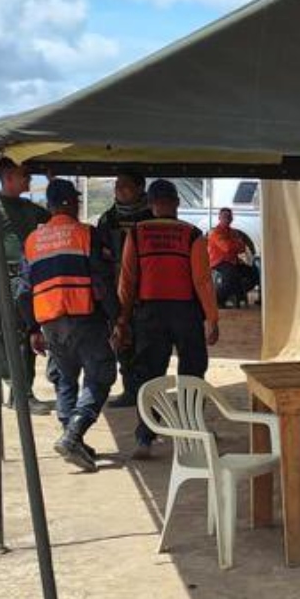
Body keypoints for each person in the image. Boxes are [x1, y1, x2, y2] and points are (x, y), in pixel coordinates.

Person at [114, 180, 219, 459]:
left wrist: (122, 320)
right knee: (192, 373)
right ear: (177, 203)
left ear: (150, 204)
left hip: (150, 314)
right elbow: (203, 280)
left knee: (149, 375)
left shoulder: (137, 233)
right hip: (186, 313)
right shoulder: (192, 234)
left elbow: (127, 281)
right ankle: (191, 429)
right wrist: (212, 318)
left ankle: (145, 438)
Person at [23, 179, 119, 472]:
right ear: (73, 203)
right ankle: (73, 435)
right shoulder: (86, 234)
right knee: (99, 376)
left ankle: (71, 437)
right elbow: (102, 281)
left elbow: (24, 291)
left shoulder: (32, 241)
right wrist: (117, 317)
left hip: (50, 321)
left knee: (66, 380)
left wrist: (32, 329)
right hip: (84, 316)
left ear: (49, 206)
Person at [0, 158, 53, 413]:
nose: (29, 180)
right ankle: (21, 395)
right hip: (4, 284)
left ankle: (19, 393)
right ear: (8, 178)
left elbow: (56, 218)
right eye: (24, 175)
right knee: (15, 340)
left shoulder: (28, 208)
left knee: (26, 336)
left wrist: (53, 185)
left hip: (26, 282)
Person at [96, 171, 153, 407]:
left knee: (148, 345)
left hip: (148, 291)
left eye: (125, 186)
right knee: (123, 341)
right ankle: (131, 391)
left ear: (140, 188)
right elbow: (100, 258)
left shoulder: (152, 216)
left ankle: (147, 392)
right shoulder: (108, 219)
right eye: (117, 186)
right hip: (117, 291)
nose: (119, 190)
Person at [207, 207, 258, 309]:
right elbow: (227, 248)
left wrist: (234, 244)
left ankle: (236, 293)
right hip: (219, 262)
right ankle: (217, 300)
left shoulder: (233, 232)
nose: (227, 218)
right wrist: (236, 244)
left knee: (254, 273)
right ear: (219, 218)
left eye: (229, 216)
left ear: (232, 218)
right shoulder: (216, 232)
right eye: (225, 216)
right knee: (231, 277)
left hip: (233, 261)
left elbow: (242, 248)